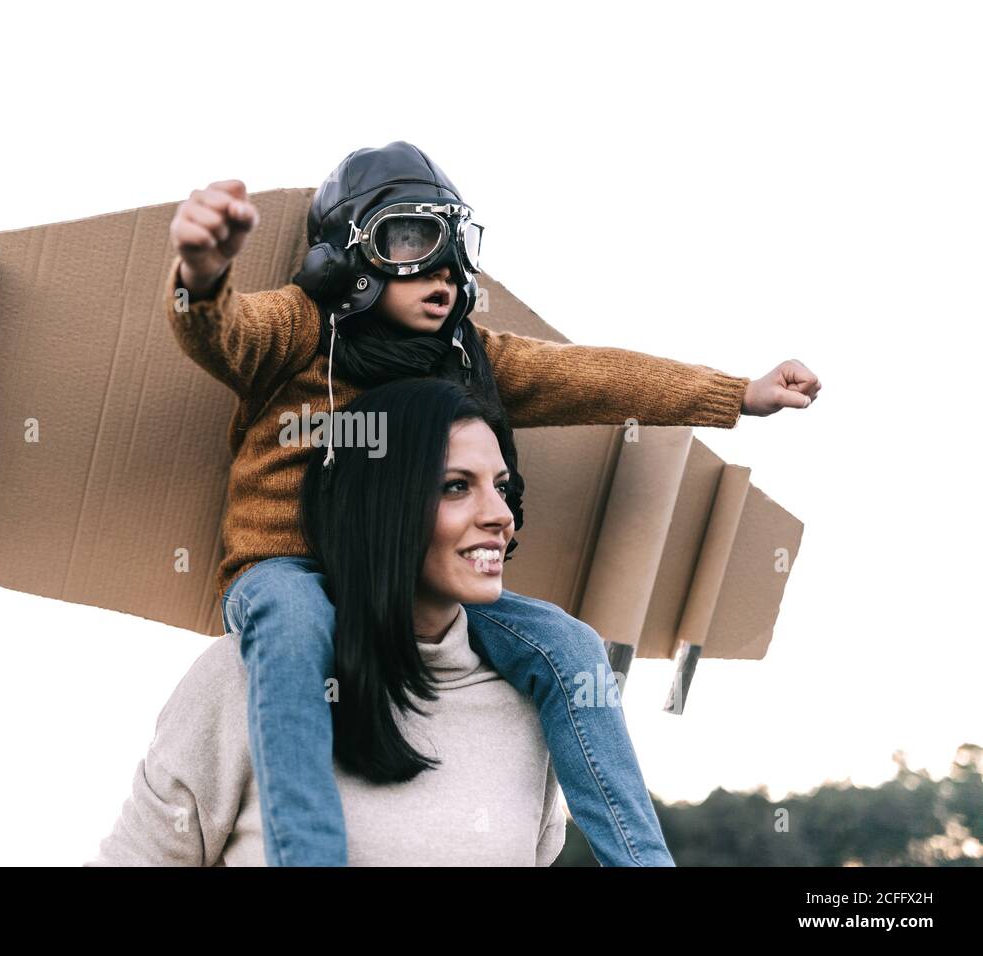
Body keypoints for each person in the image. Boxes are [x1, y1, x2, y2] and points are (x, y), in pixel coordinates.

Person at [165, 140, 822, 865]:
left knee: (570, 645)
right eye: (410, 241)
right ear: (345, 259)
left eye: (455, 249)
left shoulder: (470, 356)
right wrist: (201, 272)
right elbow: (223, 330)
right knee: (298, 620)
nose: (442, 271)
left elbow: (598, 377)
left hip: (410, 582)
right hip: (288, 572)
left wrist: (738, 395)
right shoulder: (301, 333)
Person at [87, 378, 567, 866]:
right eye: (457, 486)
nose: (501, 515)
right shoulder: (247, 676)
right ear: (380, 504)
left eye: (501, 486)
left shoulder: (531, 705)